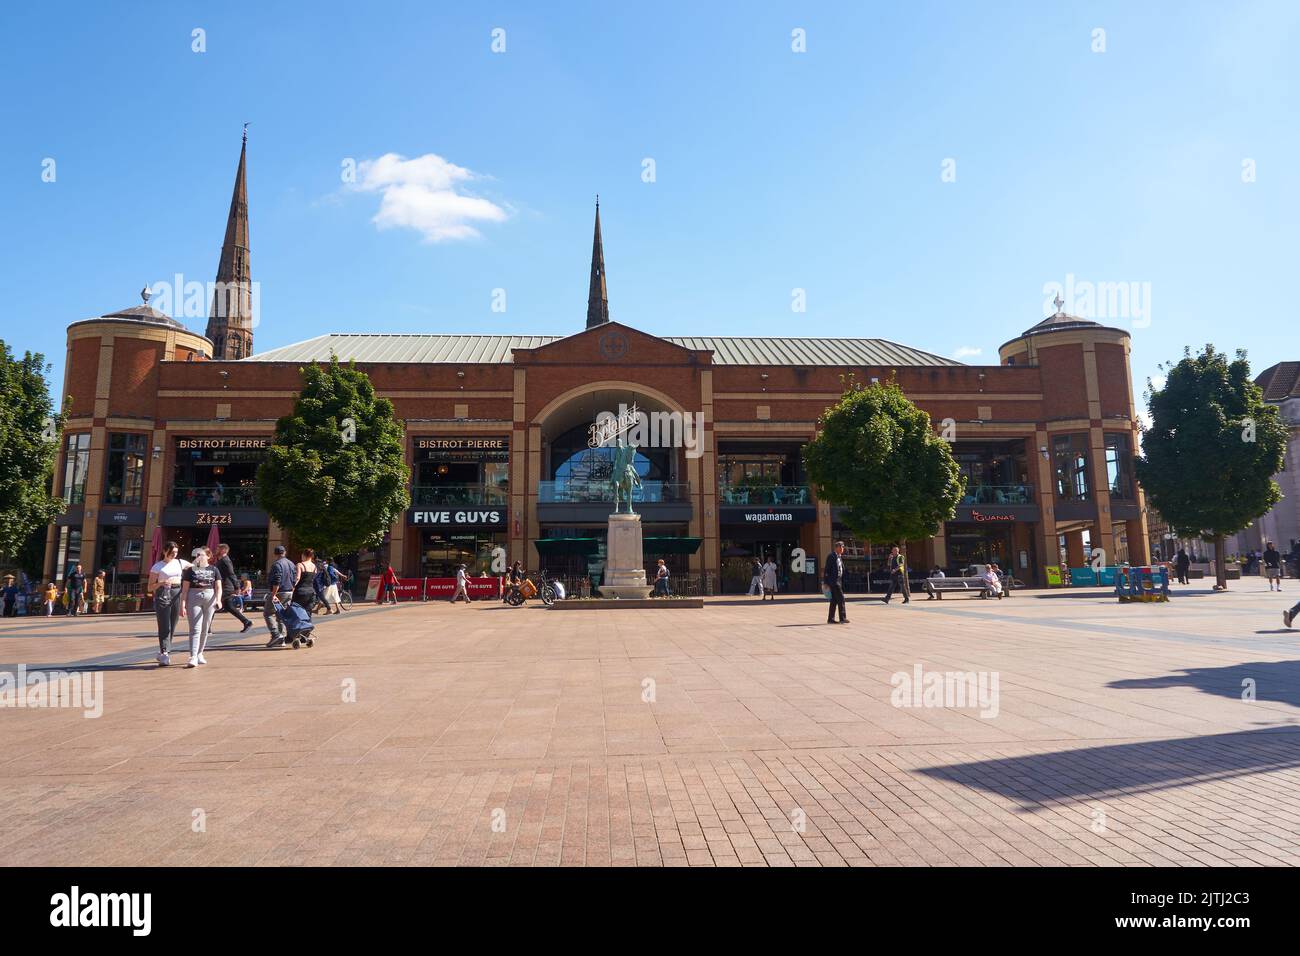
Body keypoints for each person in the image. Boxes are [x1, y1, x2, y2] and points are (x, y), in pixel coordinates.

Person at [148, 541, 190, 666]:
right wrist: (161, 583)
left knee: (173, 622)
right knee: (164, 623)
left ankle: (163, 651)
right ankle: (165, 652)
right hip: (163, 592)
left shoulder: (180, 562)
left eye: (176, 552)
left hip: (177, 591)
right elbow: (150, 587)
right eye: (172, 552)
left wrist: (203, 558)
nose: (174, 555)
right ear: (164, 551)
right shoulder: (157, 566)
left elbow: (196, 567)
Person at [179, 546, 222, 667]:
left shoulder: (214, 569)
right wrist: (182, 604)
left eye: (201, 555)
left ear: (208, 556)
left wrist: (218, 600)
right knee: (195, 628)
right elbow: (185, 589)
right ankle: (192, 656)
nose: (198, 557)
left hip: (210, 597)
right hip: (194, 596)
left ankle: (200, 653)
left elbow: (218, 586)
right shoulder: (191, 570)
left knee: (205, 627)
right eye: (197, 555)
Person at [214, 544, 253, 633]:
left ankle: (207, 628)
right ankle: (246, 622)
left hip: (226, 587)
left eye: (218, 549)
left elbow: (231, 574)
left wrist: (237, 586)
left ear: (223, 550)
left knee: (213, 604)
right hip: (224, 586)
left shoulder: (225, 560)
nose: (216, 550)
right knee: (228, 606)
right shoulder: (221, 560)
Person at [264, 544, 298, 647]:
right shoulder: (291, 563)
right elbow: (294, 579)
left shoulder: (277, 564)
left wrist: (273, 594)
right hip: (289, 592)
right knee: (281, 615)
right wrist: (292, 590)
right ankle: (282, 638)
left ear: (275, 554)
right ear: (285, 553)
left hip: (279, 592)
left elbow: (277, 580)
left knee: (268, 613)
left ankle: (275, 634)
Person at [823, 540, 848, 625]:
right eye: (841, 547)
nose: (842, 548)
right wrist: (826, 582)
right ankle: (842, 618)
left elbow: (841, 569)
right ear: (836, 547)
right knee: (841, 599)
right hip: (834, 581)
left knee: (834, 601)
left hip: (838, 581)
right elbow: (827, 569)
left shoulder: (839, 556)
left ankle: (830, 619)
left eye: (843, 547)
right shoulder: (831, 556)